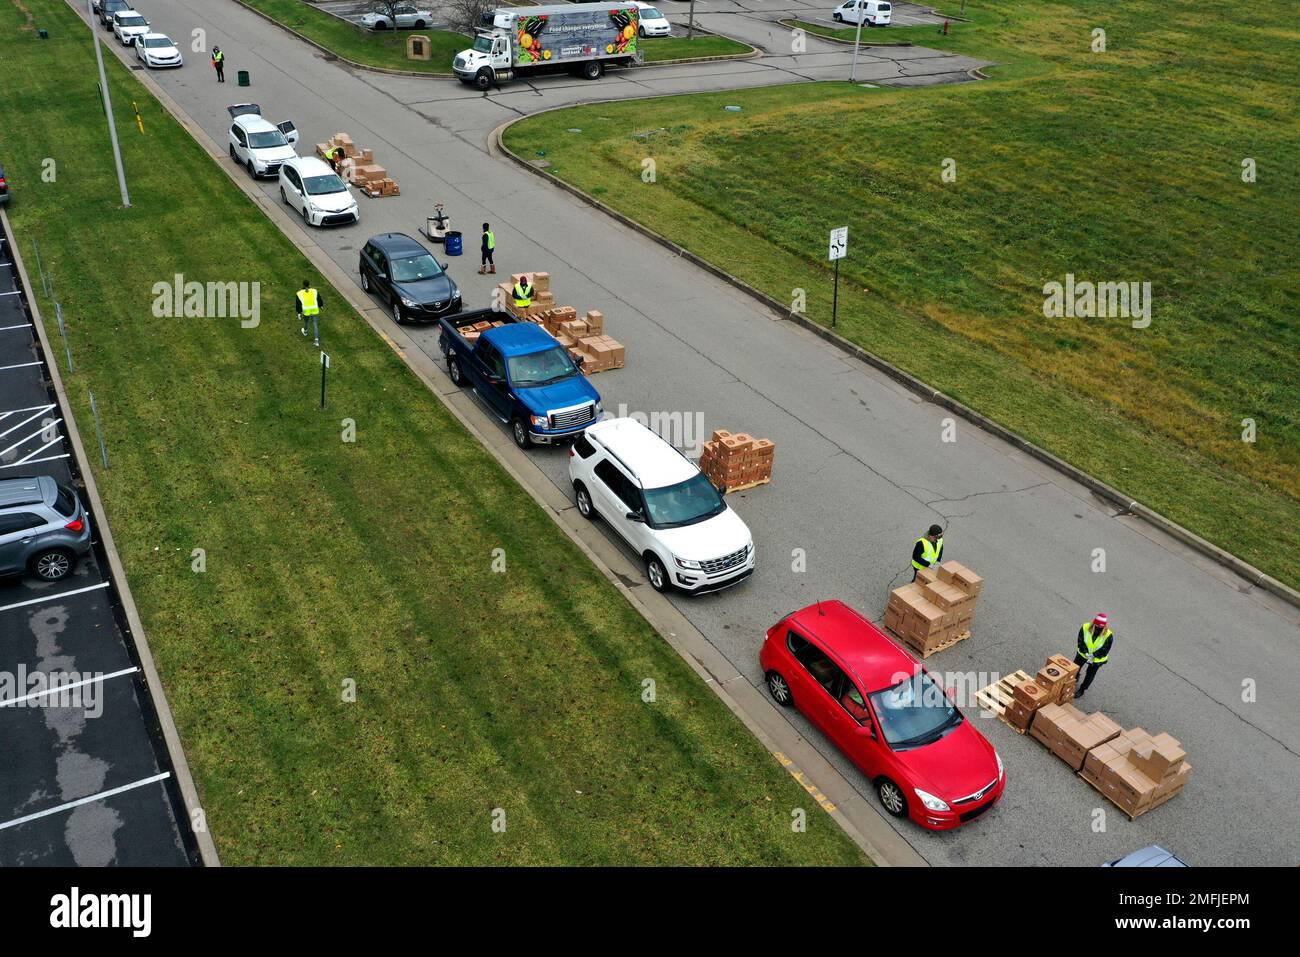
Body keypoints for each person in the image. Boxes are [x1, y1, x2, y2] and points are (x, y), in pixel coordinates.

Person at [1073, 613, 1113, 698]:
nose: (1098, 629)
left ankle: (1082, 689)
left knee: (1090, 675)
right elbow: (1080, 640)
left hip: (1096, 659)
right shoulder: (1085, 627)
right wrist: (1085, 651)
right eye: (1097, 626)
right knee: (1075, 668)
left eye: (1101, 627)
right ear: (1093, 624)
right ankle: (1074, 678)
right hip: (1083, 654)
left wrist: (1094, 655)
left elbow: (1105, 649)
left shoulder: (1108, 635)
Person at [296, 279, 322, 348]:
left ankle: (305, 332)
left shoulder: (299, 293)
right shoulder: (314, 291)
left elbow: (298, 304)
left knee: (306, 322)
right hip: (314, 310)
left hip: (306, 311)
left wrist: (299, 313)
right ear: (309, 284)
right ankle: (316, 341)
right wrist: (321, 305)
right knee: (315, 325)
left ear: (303, 285)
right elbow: (318, 298)